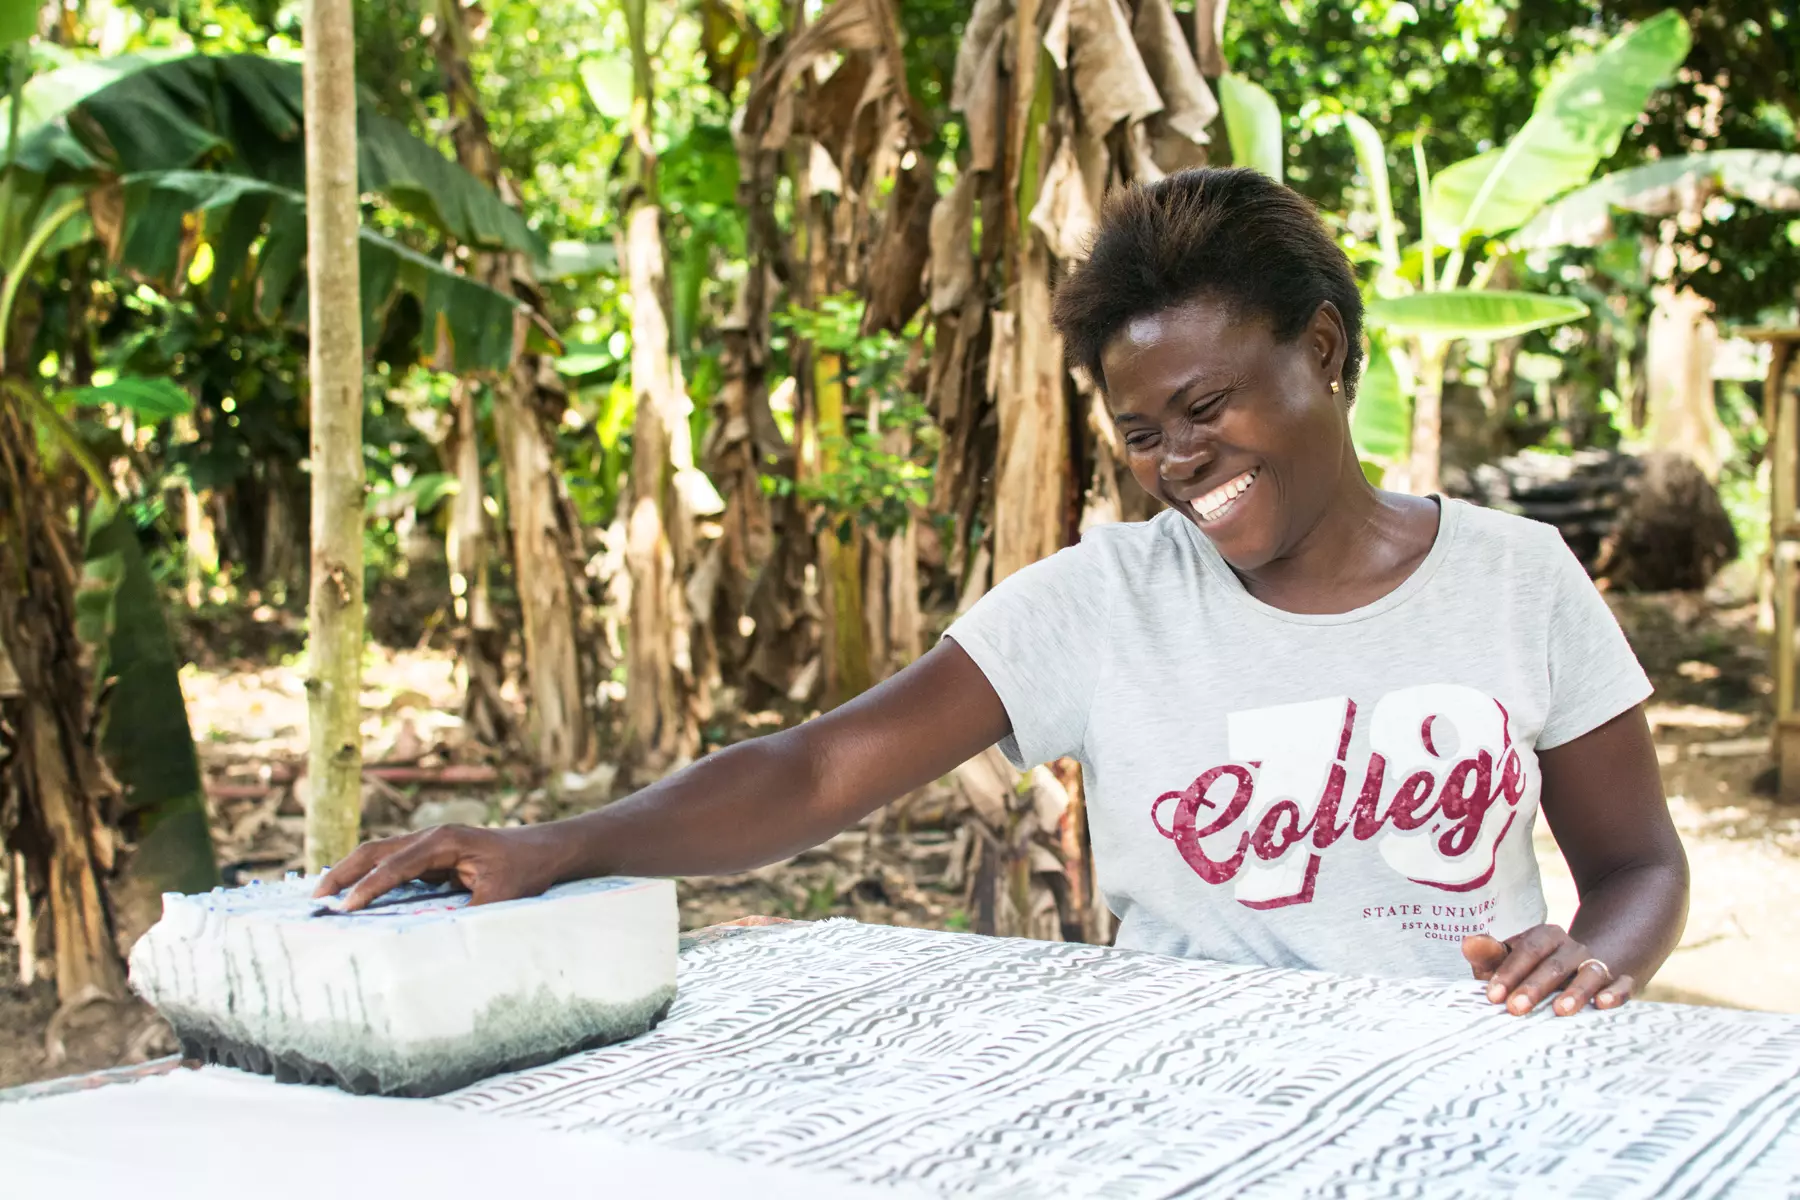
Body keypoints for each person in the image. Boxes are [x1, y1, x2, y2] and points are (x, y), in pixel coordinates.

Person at [319, 167, 1689, 1018]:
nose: (1179, 462)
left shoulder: (1519, 578)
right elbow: (814, 774)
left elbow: (1637, 866)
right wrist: (566, 844)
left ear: (1323, 350)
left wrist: (1595, 959)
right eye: (1143, 434)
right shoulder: (1105, 603)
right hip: (1189, 1121)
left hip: (1463, 1107)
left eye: (1206, 405)